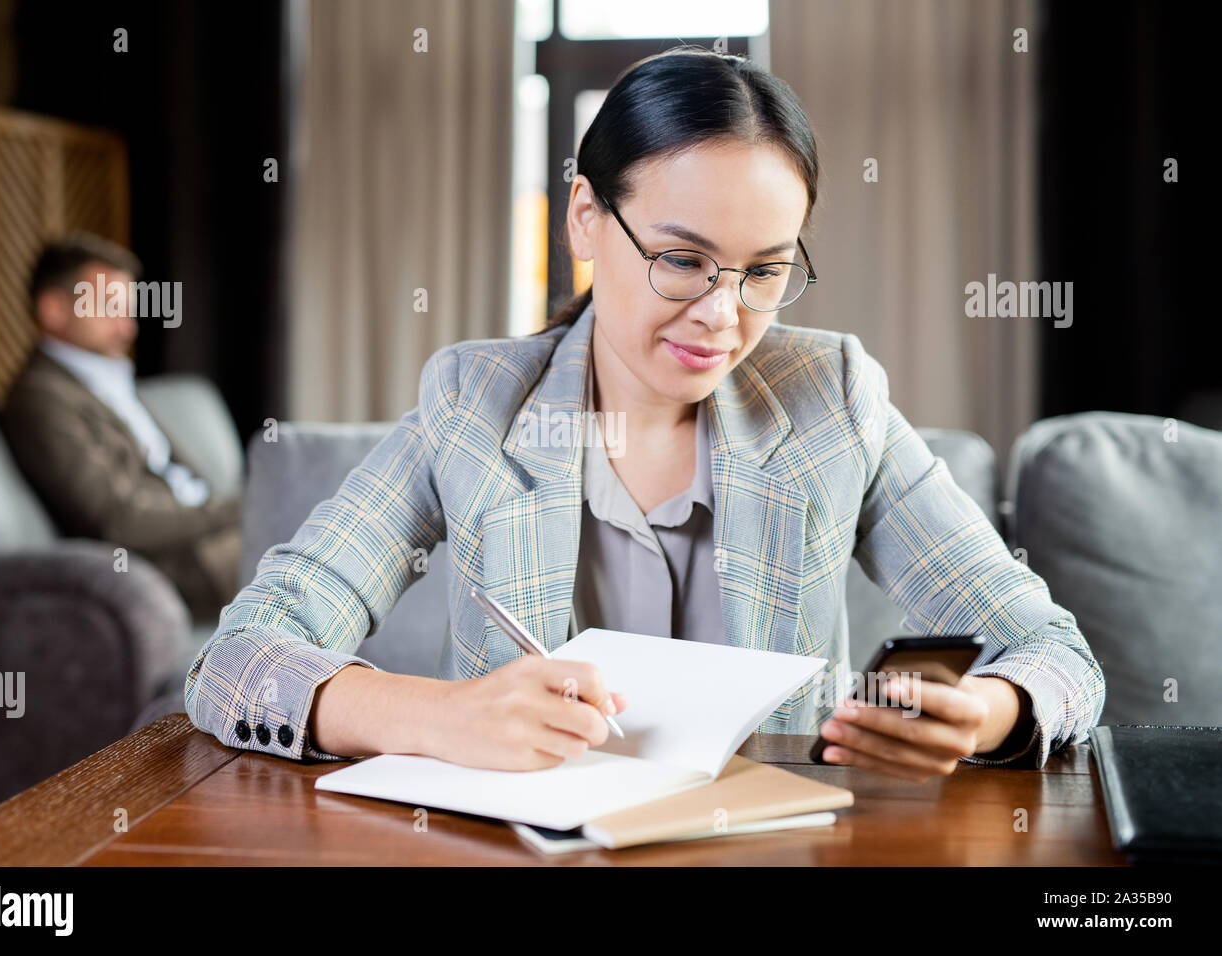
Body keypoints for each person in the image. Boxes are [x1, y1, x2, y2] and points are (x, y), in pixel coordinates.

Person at [185, 49, 1104, 780]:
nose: (722, 313)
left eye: (764, 272)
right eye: (682, 259)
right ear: (586, 218)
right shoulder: (474, 404)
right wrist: (440, 715)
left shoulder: (834, 397)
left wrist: (987, 715)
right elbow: (237, 659)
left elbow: (1054, 653)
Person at [1, 232, 241, 620]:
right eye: (111, 309)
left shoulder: (112, 382)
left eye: (128, 311)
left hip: (217, 542)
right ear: (54, 310)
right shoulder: (42, 398)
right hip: (184, 565)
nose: (128, 329)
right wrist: (239, 509)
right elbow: (118, 520)